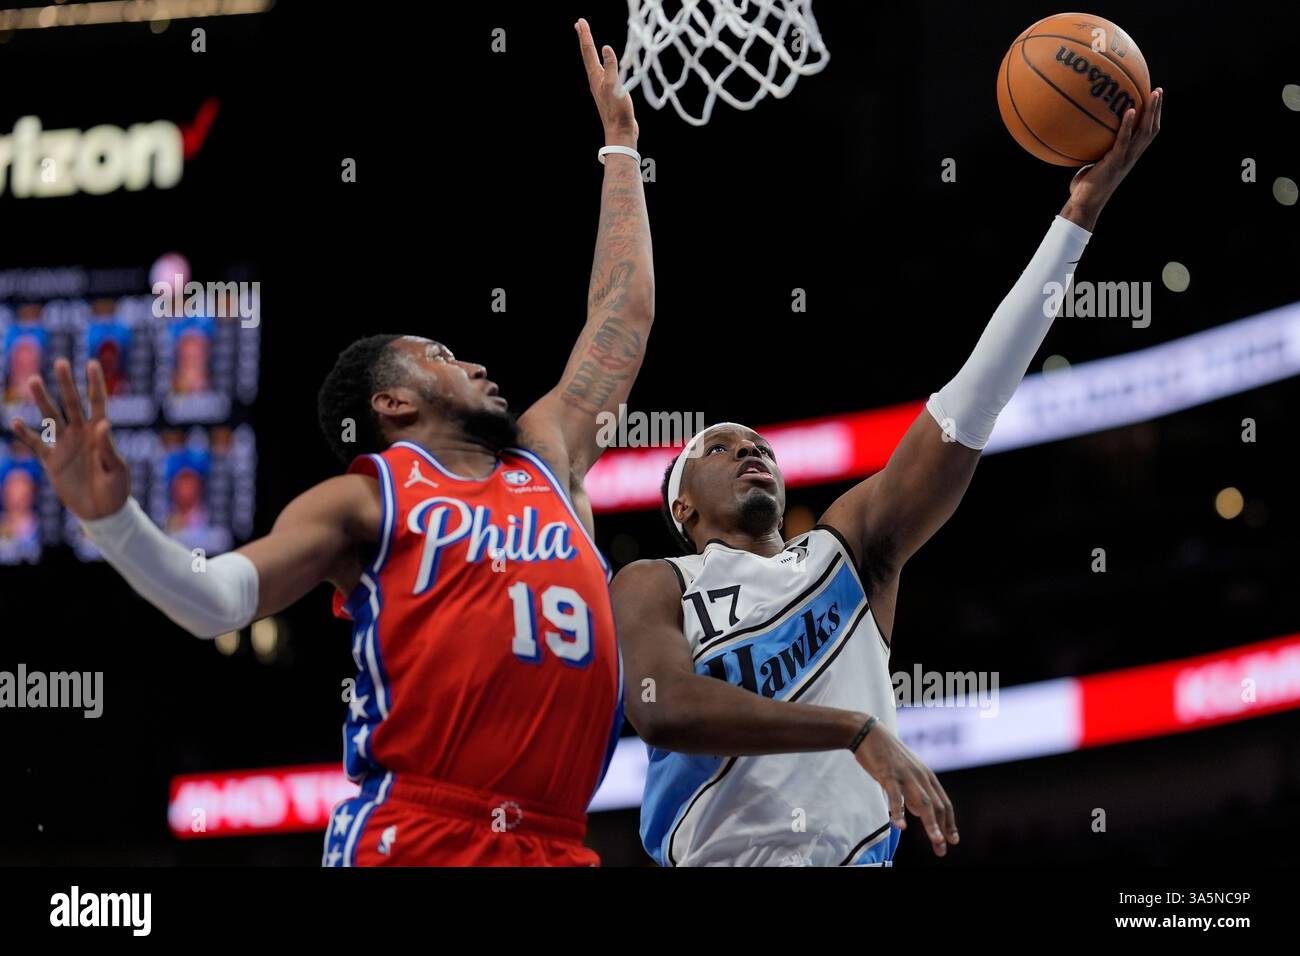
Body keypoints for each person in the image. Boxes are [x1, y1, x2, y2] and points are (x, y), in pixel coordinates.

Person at [10, 17, 653, 867]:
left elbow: (621, 314)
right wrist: (113, 522)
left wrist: (618, 148)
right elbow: (218, 601)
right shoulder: (368, 495)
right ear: (393, 400)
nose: (476, 363)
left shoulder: (546, 453)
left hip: (556, 840)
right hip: (418, 831)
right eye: (444, 356)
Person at [613, 90, 1163, 866]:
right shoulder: (657, 581)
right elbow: (663, 708)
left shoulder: (846, 555)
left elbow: (974, 397)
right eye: (720, 446)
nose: (750, 452)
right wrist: (855, 729)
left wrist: (1079, 215)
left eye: (760, 445)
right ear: (681, 506)